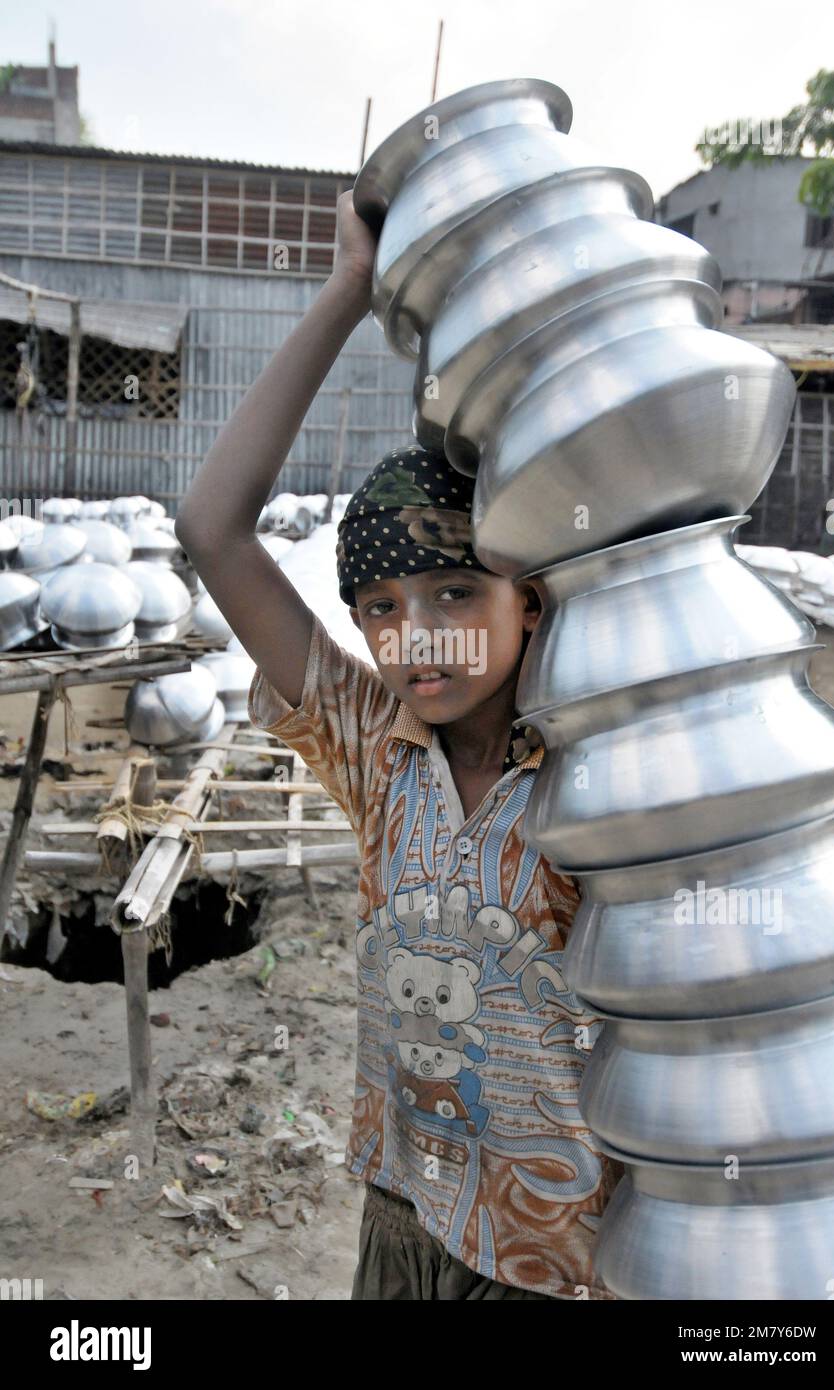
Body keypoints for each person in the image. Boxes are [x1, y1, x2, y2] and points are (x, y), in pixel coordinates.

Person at [176, 191, 623, 1302]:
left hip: (563, 1259)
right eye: (377, 605)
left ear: (529, 596)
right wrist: (342, 292)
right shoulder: (374, 745)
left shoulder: (605, 772)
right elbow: (213, 532)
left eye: (454, 590)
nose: (412, 633)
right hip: (404, 1219)